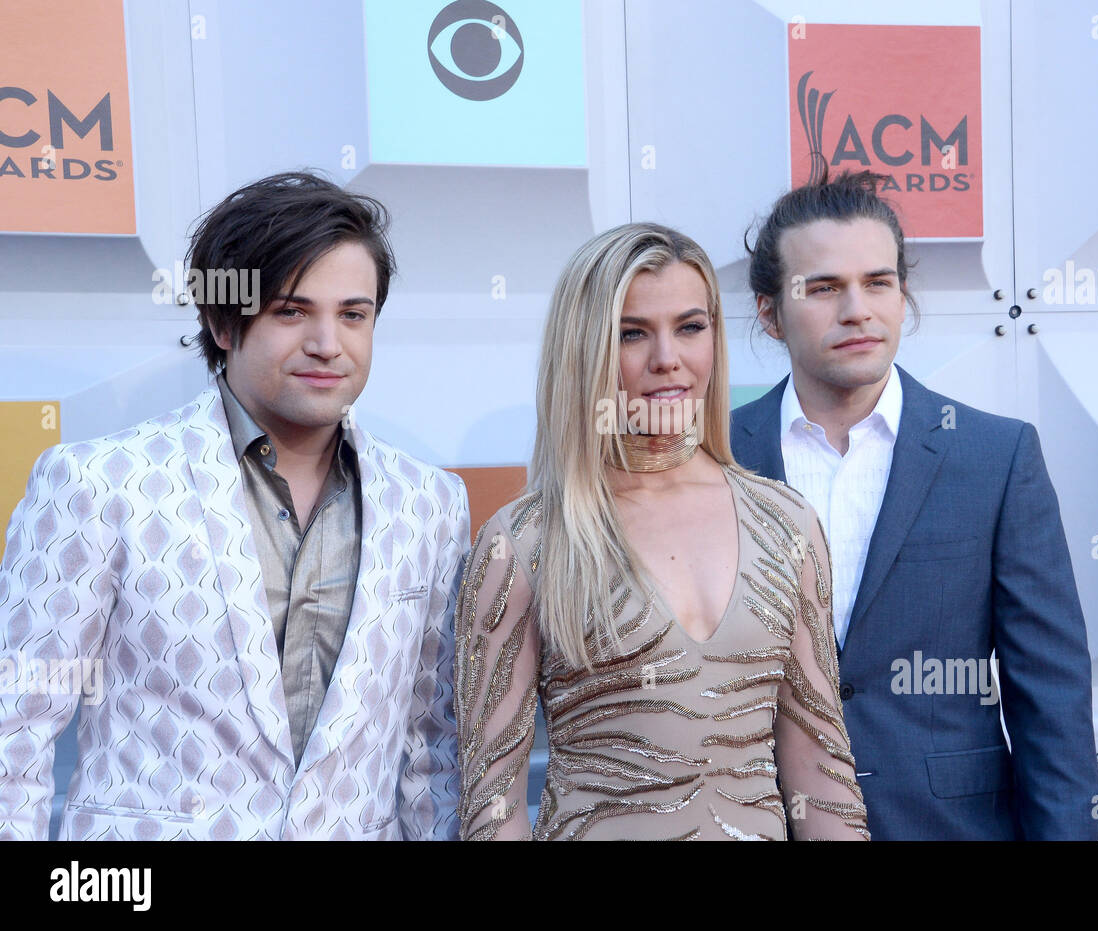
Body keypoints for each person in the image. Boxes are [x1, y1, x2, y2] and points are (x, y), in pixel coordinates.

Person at [0, 171, 468, 840]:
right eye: (291, 311)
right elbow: (12, 726)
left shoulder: (431, 505)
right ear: (223, 321)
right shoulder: (99, 485)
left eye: (353, 314)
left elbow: (431, 749)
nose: (328, 343)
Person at [454, 222, 868, 840]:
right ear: (586, 349)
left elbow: (823, 779)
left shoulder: (786, 523)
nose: (667, 359)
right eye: (632, 333)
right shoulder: (523, 544)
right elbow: (493, 805)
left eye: (690, 327)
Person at [730, 169, 1098, 840]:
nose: (857, 309)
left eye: (878, 282)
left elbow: (1052, 699)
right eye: (823, 288)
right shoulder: (716, 457)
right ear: (768, 311)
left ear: (903, 295)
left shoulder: (996, 457)